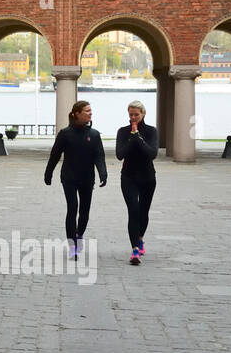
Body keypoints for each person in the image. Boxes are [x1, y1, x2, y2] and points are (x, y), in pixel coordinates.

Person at [44, 100, 107, 260]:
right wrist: (48, 172)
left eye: (90, 110)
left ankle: (79, 235)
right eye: (87, 111)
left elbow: (99, 155)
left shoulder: (94, 134)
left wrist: (103, 173)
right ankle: (72, 245)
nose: (90, 113)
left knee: (84, 211)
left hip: (87, 178)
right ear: (77, 114)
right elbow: (55, 154)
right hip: (69, 177)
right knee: (72, 208)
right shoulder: (65, 133)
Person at [116, 100, 158, 266]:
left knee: (143, 211)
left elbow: (152, 153)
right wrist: (131, 138)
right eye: (131, 114)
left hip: (147, 177)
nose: (133, 118)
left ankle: (140, 238)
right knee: (133, 211)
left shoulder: (151, 131)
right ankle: (134, 249)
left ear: (143, 114)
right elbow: (120, 154)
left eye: (136, 115)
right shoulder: (122, 131)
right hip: (128, 176)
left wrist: (138, 137)